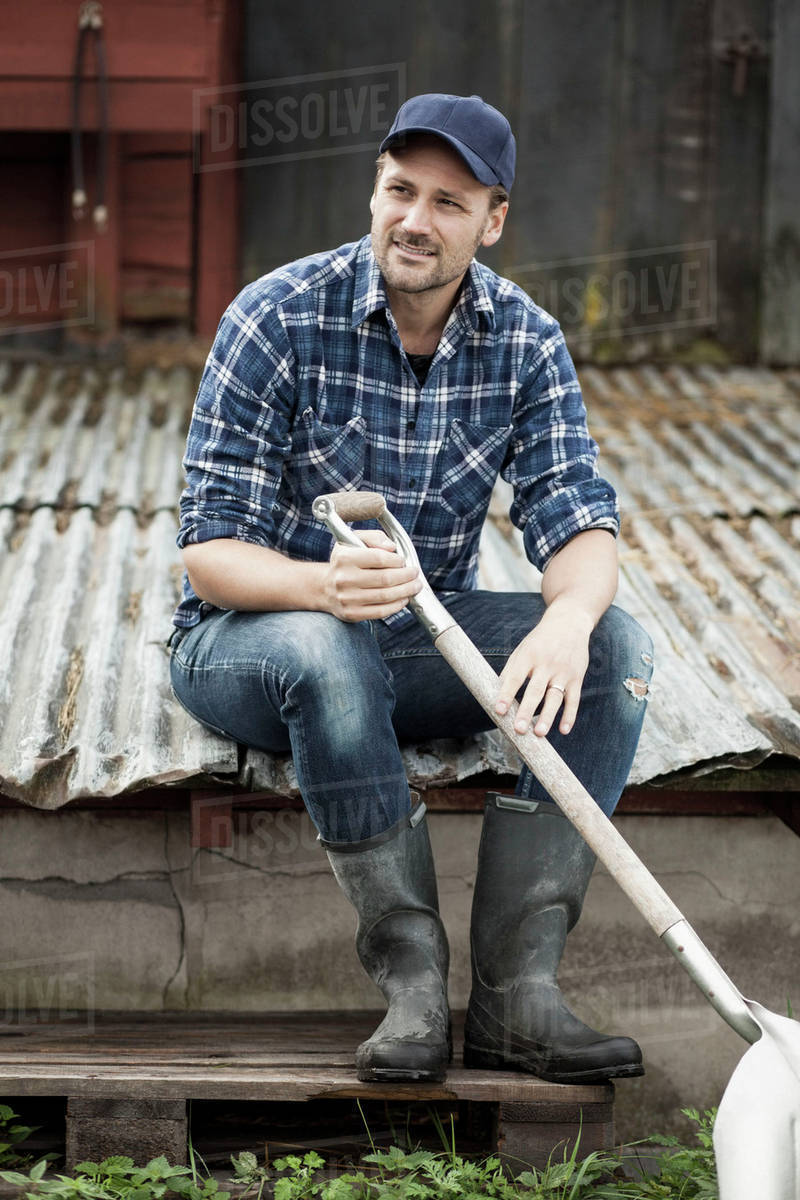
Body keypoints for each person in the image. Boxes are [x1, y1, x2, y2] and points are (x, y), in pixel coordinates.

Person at [168, 93, 654, 1086]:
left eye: (447, 202)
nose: (414, 220)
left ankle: (518, 995)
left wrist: (568, 615)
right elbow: (209, 552)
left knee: (617, 648)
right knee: (325, 648)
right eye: (400, 190)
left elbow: (577, 516)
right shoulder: (276, 317)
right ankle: (412, 983)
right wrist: (318, 584)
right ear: (374, 190)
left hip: (411, 640)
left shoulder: (523, 341)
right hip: (248, 641)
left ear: (493, 220)